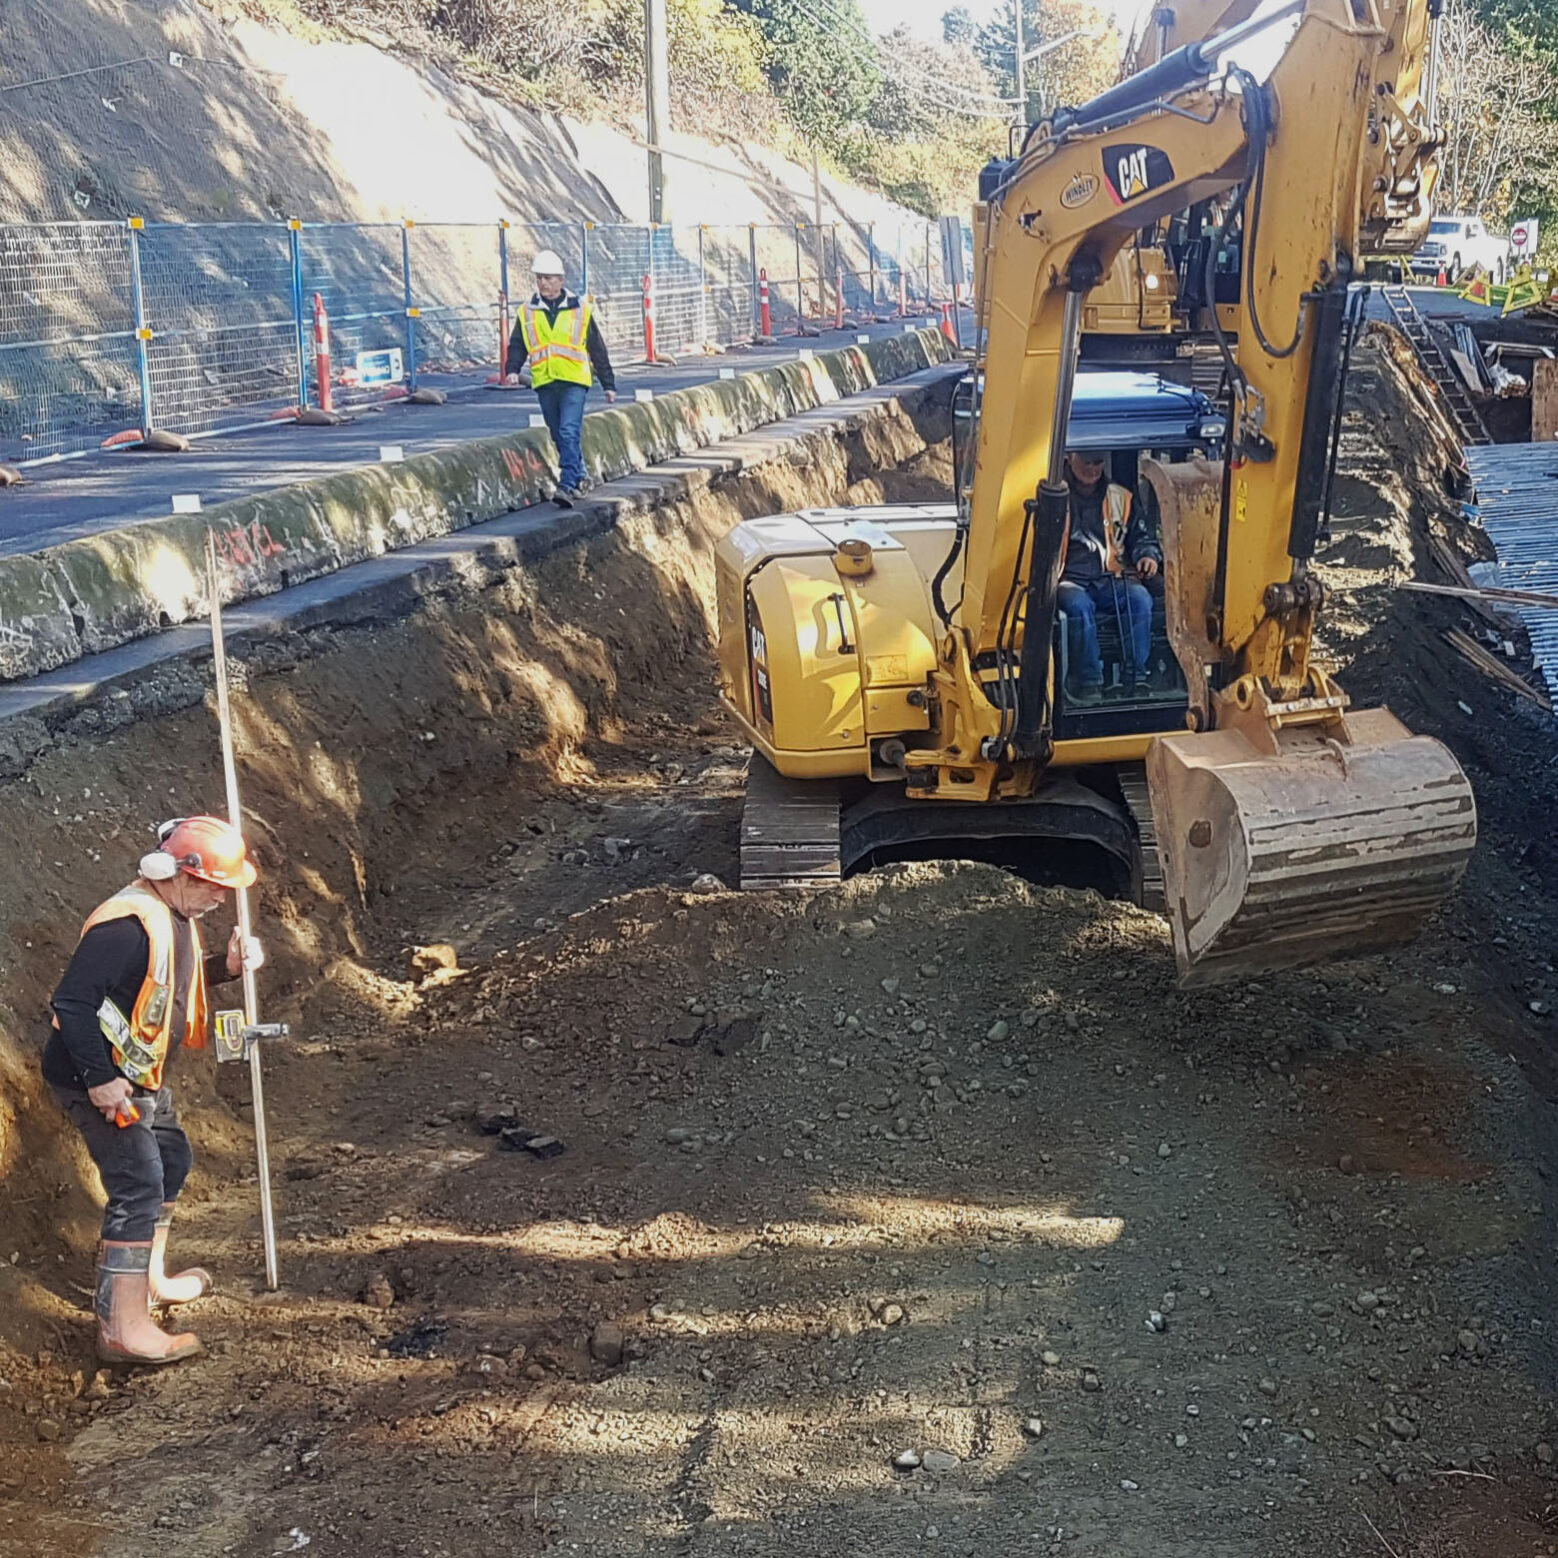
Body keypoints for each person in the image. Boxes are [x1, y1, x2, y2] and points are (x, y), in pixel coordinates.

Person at [42, 816, 265, 1365]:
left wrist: (227, 967)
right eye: (213, 885)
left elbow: (164, 985)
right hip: (95, 1074)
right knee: (138, 1183)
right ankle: (122, 1326)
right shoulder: (125, 927)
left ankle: (148, 1279)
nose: (219, 897)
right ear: (176, 872)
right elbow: (72, 1004)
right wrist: (100, 1082)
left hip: (139, 1072)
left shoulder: (173, 915)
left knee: (172, 1157)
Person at [504, 249, 617, 502]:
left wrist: (608, 383)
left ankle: (566, 485)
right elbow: (518, 344)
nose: (543, 283)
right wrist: (512, 369)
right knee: (557, 434)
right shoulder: (527, 311)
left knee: (568, 431)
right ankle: (579, 475)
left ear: (561, 280)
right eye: (540, 278)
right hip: (545, 381)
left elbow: (596, 347)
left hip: (574, 380)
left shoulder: (580, 309)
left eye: (549, 278)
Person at [1057, 449, 1163, 705]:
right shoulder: (1055, 496)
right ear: (1071, 457)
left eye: (1098, 462)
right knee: (1079, 607)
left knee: (1139, 598)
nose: (1092, 468)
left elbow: (1141, 536)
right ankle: (1089, 682)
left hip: (1109, 577)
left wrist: (1146, 556)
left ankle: (1135, 677)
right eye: (1086, 461)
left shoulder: (1120, 496)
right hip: (1068, 578)